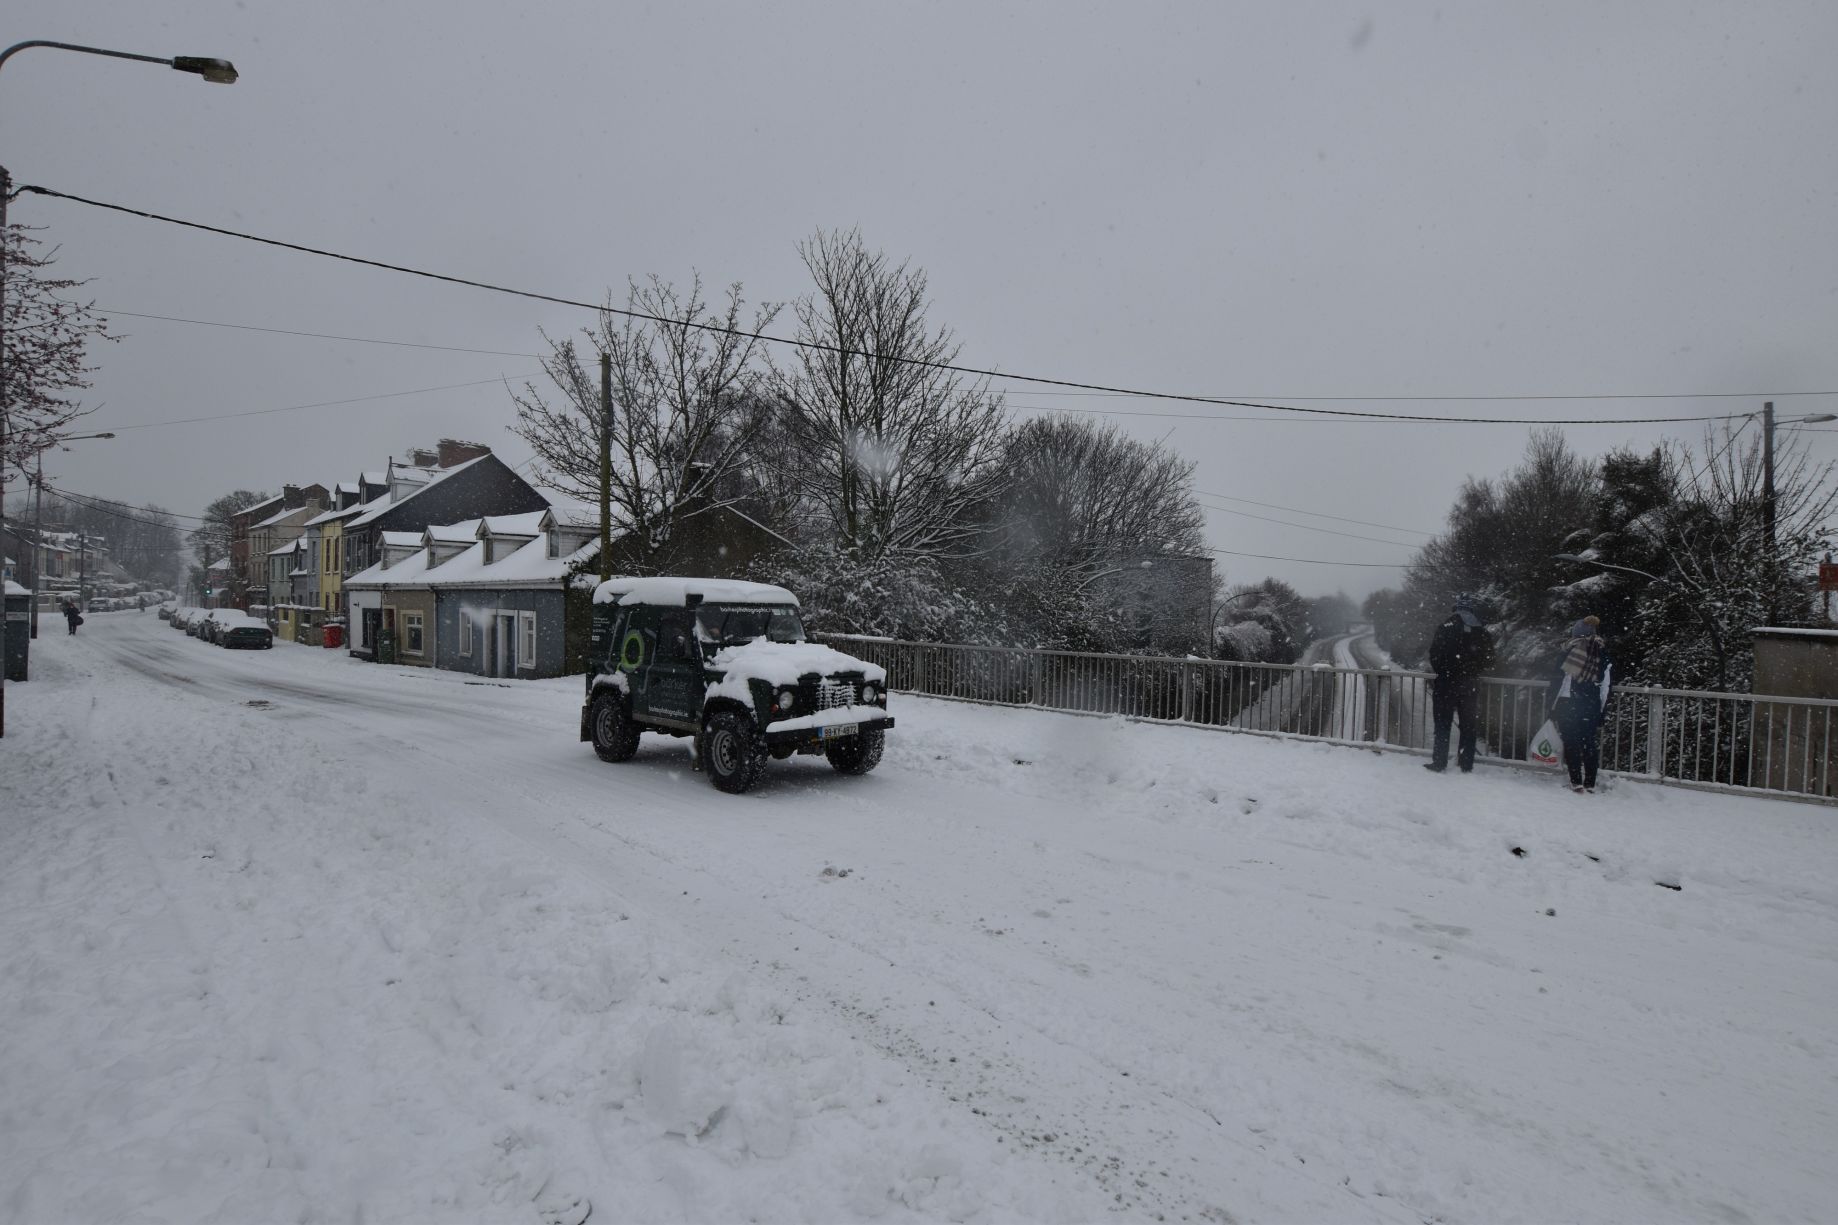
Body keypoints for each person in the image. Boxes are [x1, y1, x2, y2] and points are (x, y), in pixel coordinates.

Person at [1425, 593, 1493, 773]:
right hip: (1469, 684)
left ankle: (1439, 762)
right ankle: (1466, 763)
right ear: (1471, 608)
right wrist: (1473, 669)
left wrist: (1445, 670)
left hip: (1446, 683)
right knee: (1468, 726)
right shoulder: (1481, 630)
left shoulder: (1445, 627)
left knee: (1442, 724)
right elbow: (1489, 659)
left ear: (1456, 608)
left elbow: (1434, 654)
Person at [1548, 615, 1611, 794]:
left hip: (1569, 703)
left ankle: (1576, 782)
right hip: (1591, 704)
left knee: (1571, 742)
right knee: (1589, 743)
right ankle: (1590, 782)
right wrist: (1601, 711)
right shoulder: (1602, 652)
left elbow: (1562, 682)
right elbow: (1605, 685)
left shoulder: (1569, 651)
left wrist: (1552, 707)